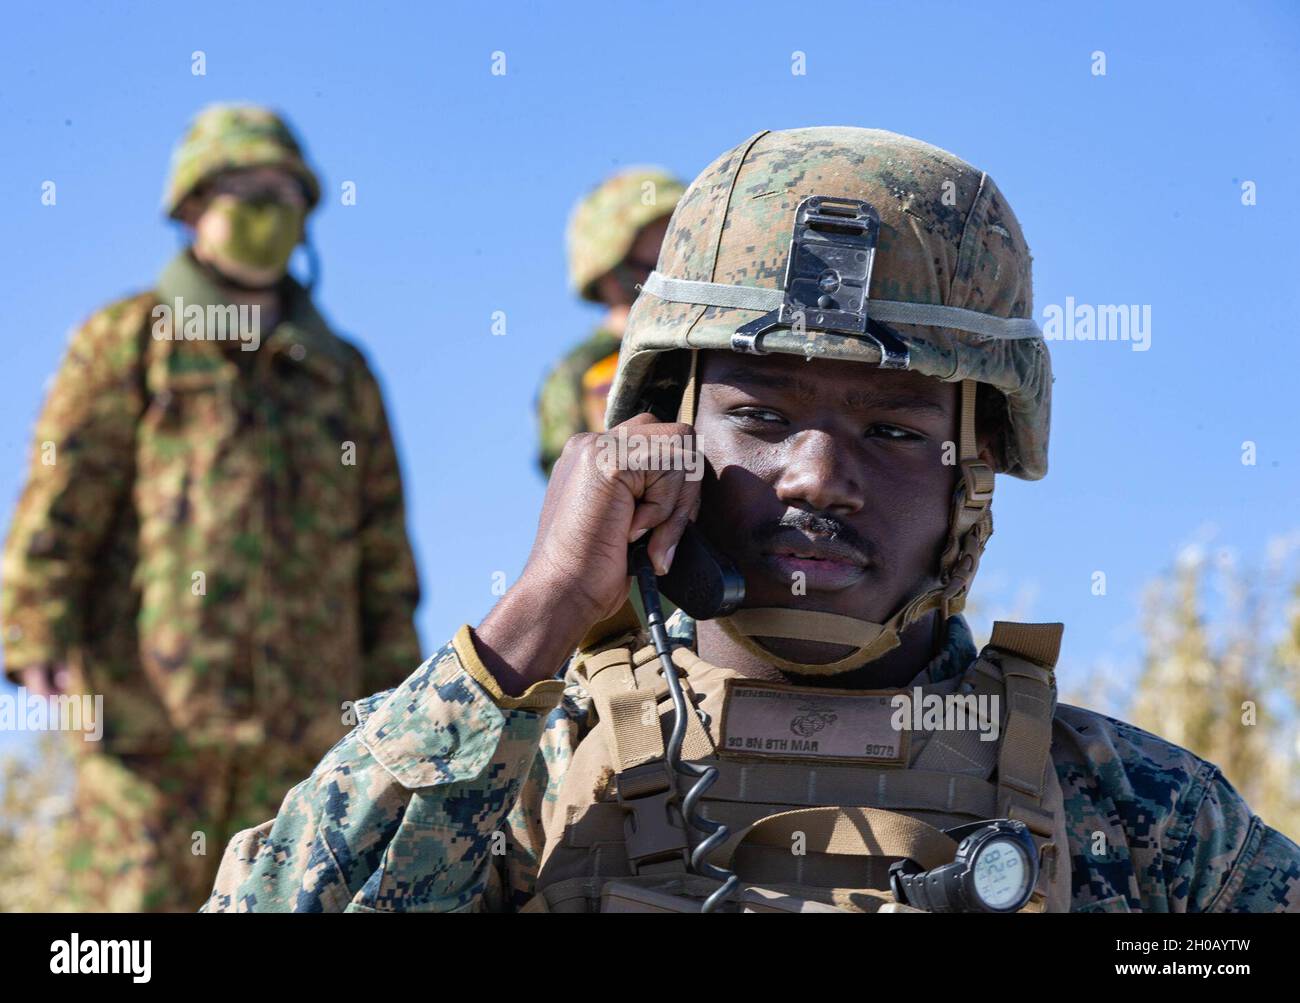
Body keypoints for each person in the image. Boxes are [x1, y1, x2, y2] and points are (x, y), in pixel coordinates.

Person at [205, 127, 1299, 913]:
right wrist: (538, 615)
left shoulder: (1129, 810)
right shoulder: (526, 773)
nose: (817, 477)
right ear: (657, 438)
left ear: (981, 469)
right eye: (761, 416)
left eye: (896, 432)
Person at [0, 104, 421, 911]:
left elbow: (383, 556)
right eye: (243, 189)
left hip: (304, 741)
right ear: (192, 204)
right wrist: (34, 626)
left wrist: (390, 706)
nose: (267, 210)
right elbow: (62, 498)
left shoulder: (342, 374)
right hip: (150, 723)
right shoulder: (129, 340)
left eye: (285, 192)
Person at [536, 167, 684, 476]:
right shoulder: (586, 371)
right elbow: (572, 482)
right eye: (660, 255)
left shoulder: (713, 339)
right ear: (611, 272)